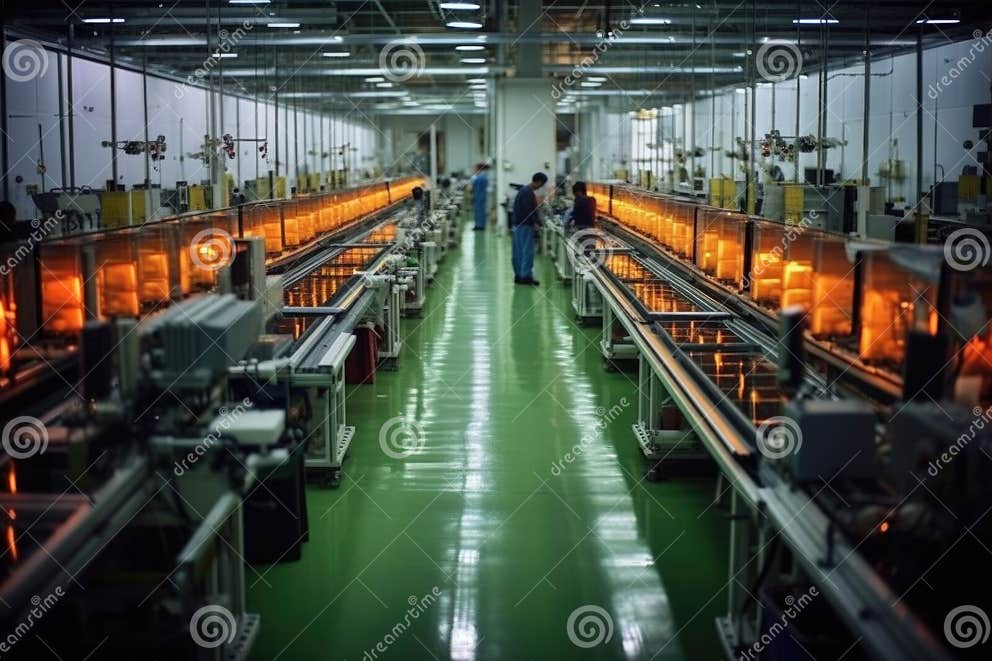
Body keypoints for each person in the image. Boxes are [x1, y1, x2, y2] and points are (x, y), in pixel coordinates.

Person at [511, 172, 548, 286]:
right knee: (527, 252)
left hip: (517, 225)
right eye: (541, 185)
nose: (540, 188)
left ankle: (518, 275)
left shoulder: (523, 190)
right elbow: (530, 211)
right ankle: (526, 276)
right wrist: (537, 222)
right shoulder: (528, 193)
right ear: (538, 182)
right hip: (525, 226)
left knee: (518, 252)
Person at [471, 164, 489, 231]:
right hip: (480, 196)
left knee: (479, 211)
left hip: (479, 197)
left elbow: (474, 186)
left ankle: (479, 225)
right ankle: (480, 225)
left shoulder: (480, 178)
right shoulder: (483, 177)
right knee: (480, 210)